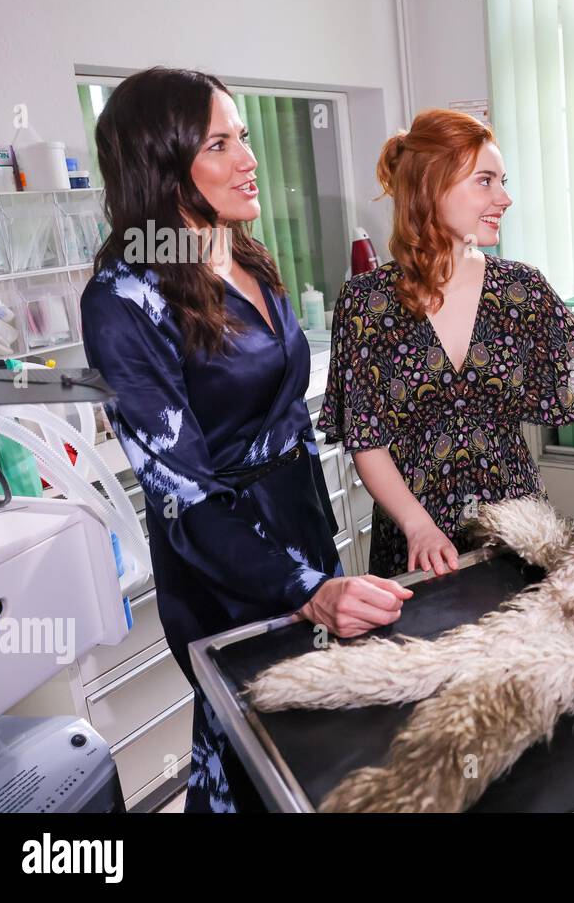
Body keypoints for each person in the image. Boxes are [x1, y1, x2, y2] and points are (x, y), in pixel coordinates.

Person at [80, 68, 410, 813]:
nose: (249, 157)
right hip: (223, 559)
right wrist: (307, 589)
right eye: (220, 143)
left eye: (246, 137)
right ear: (163, 169)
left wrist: (318, 567)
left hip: (300, 522)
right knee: (255, 745)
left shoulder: (245, 255)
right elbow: (184, 495)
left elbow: (280, 409)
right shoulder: (125, 295)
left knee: (319, 734)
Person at [321, 110, 574, 577]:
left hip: (515, 532)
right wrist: (417, 525)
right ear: (432, 185)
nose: (505, 197)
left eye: (503, 181)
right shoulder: (366, 302)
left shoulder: (522, 290)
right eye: (485, 181)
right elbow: (367, 440)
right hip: (414, 541)